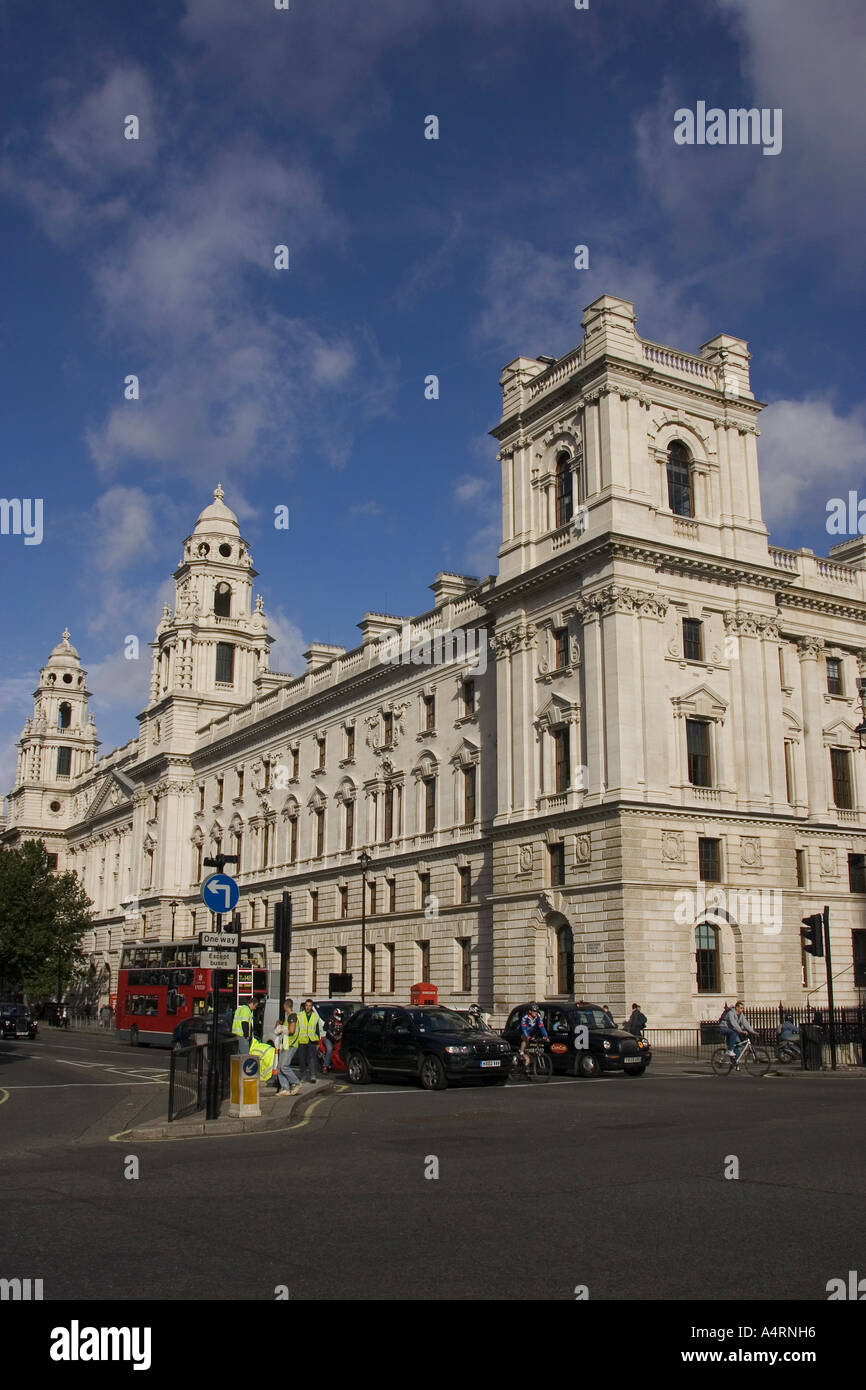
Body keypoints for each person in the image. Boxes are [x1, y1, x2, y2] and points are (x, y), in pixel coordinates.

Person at [274, 997, 301, 1097]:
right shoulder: (288, 1017)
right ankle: (285, 1088)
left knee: (284, 1066)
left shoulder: (292, 1016)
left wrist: (281, 1029)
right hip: (286, 1045)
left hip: (290, 1044)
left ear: (285, 1007)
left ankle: (296, 1083)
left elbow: (292, 1030)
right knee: (279, 1067)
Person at [294, 997, 324, 1083]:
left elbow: (317, 1030)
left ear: (311, 1007)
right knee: (302, 1059)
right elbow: (297, 1029)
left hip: (312, 1040)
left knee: (312, 1059)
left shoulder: (315, 1016)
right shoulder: (299, 1015)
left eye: (309, 1006)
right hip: (302, 1040)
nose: (308, 1007)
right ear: (304, 1006)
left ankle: (312, 1075)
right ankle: (303, 1076)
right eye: (306, 1005)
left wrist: (318, 1042)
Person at [518, 1003, 548, 1070]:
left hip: (532, 1032)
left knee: (537, 1040)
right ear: (530, 1011)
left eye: (537, 1011)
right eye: (534, 1011)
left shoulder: (538, 1016)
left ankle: (530, 1055)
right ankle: (521, 1051)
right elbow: (524, 1028)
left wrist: (545, 1036)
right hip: (523, 1031)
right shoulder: (525, 1017)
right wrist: (527, 1036)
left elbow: (541, 1026)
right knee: (525, 1039)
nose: (536, 1013)